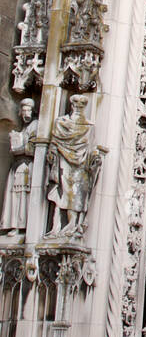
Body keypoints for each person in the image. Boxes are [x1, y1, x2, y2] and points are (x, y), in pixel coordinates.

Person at [46, 95, 103, 238]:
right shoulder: (60, 123)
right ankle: (57, 228)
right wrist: (52, 153)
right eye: (76, 104)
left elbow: (92, 147)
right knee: (62, 194)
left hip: (81, 166)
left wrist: (96, 158)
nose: (78, 107)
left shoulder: (89, 127)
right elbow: (53, 145)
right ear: (71, 105)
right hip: (64, 165)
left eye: (81, 105)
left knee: (77, 196)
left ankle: (72, 226)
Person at [1, 98, 37, 233]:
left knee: (21, 195)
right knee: (14, 196)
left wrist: (17, 149)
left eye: (29, 110)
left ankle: (21, 226)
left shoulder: (35, 125)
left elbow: (33, 148)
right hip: (17, 165)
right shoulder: (24, 128)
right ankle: (14, 225)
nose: (26, 113)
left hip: (26, 165)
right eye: (24, 110)